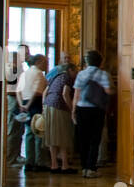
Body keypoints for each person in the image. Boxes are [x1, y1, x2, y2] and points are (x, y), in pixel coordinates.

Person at [72, 50, 114, 178]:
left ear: (87, 62)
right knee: (95, 139)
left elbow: (76, 94)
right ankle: (91, 168)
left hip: (81, 108)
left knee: (83, 139)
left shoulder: (81, 74)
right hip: (97, 109)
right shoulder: (104, 74)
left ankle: (84, 167)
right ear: (100, 62)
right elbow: (108, 91)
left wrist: (73, 110)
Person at [43, 57, 77, 174]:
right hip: (59, 106)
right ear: (70, 70)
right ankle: (65, 165)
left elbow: (45, 92)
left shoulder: (55, 76)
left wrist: (44, 107)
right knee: (63, 136)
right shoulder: (67, 77)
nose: (76, 74)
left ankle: (54, 165)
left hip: (48, 105)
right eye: (75, 71)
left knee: (52, 136)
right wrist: (71, 109)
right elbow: (65, 93)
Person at [15, 54, 48, 172]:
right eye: (45, 62)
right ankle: (39, 162)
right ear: (39, 62)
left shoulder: (25, 73)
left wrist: (22, 105)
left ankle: (29, 161)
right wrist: (28, 105)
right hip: (35, 103)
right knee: (38, 131)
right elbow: (37, 92)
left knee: (29, 133)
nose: (46, 64)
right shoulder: (38, 73)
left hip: (24, 102)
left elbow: (18, 91)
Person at [4, 44, 29, 166]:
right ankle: (10, 159)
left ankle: (16, 155)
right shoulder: (12, 69)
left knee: (18, 130)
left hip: (17, 100)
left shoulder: (18, 69)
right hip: (13, 100)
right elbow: (12, 88)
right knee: (13, 130)